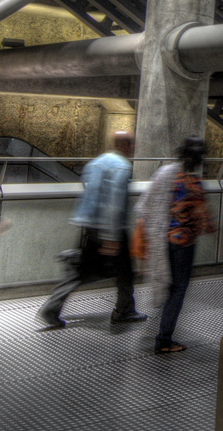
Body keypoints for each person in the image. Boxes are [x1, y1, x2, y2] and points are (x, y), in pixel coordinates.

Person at [39, 131, 146, 328]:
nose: (133, 149)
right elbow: (115, 203)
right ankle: (124, 311)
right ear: (126, 146)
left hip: (88, 224)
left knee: (81, 270)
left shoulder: (95, 162)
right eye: (132, 145)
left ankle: (51, 308)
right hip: (110, 227)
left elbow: (86, 190)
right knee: (125, 270)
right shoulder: (122, 166)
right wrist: (112, 236)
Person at [143, 137, 215, 354]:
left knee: (170, 286)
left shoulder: (171, 178)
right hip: (184, 244)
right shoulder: (194, 184)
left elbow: (149, 204)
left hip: (167, 239)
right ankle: (164, 339)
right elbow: (206, 222)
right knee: (178, 291)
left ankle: (163, 330)